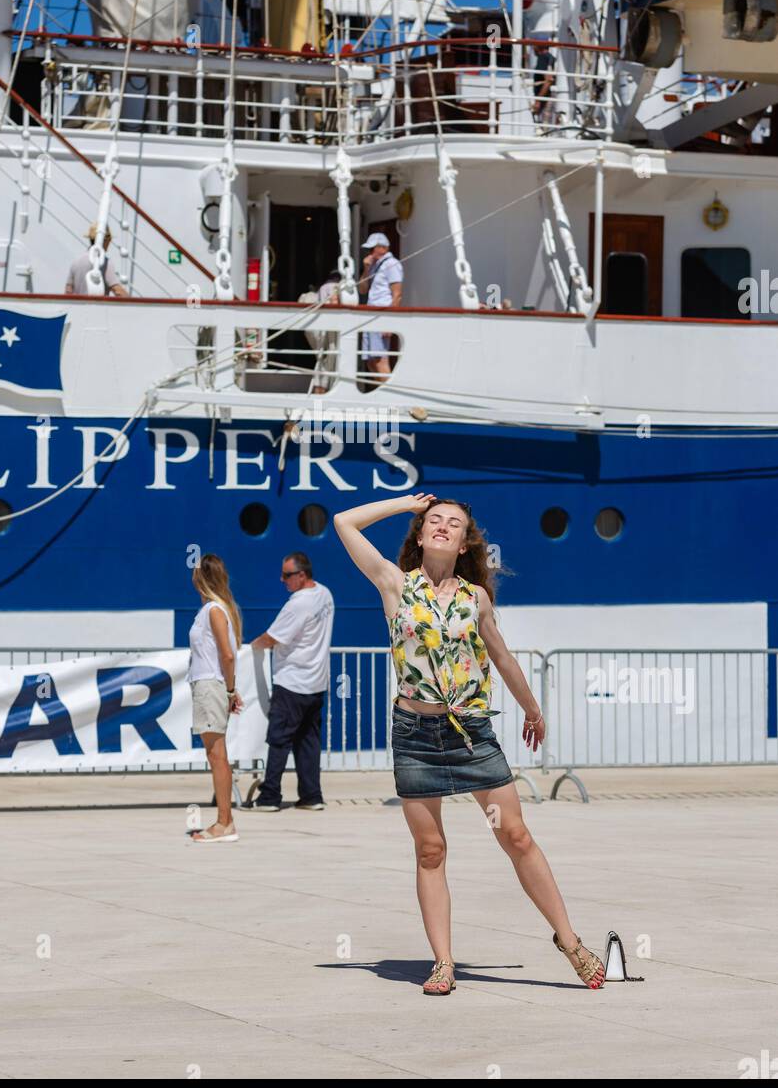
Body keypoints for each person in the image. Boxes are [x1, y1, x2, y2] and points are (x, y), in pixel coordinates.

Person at [333, 492, 606, 996]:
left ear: (463, 544)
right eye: (433, 521)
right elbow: (344, 521)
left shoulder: (476, 598)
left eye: (452, 524)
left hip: (471, 731)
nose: (441, 526)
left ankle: (570, 942)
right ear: (420, 534)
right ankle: (442, 962)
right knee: (431, 850)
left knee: (515, 836)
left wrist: (531, 707)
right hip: (415, 735)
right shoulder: (395, 584)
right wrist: (405, 505)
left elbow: (501, 657)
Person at [250, 552, 335, 811]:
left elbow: (272, 637)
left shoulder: (298, 603)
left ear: (301, 575)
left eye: (286, 575)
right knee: (308, 742)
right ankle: (311, 796)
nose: (282, 579)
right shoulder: (325, 594)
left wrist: (249, 649)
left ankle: (269, 798)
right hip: (316, 683)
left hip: (292, 683)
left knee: (278, 740)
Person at [186, 553, 245, 843]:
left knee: (217, 755)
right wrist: (230, 689)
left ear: (201, 577)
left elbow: (227, 654)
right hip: (210, 685)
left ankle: (225, 822)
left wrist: (231, 690)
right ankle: (225, 820)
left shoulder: (214, 610)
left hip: (211, 685)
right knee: (216, 754)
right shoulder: (218, 609)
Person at [358, 233, 403, 380]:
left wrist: (389, 322)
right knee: (371, 362)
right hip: (371, 316)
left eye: (372, 249)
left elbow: (397, 294)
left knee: (380, 360)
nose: (369, 252)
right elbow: (362, 290)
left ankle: (392, 401)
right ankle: (385, 398)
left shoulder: (391, 264)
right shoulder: (375, 265)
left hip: (381, 316)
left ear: (383, 248)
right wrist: (365, 269)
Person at [65, 225, 128, 296]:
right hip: (97, 306)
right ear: (105, 240)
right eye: (109, 239)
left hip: (77, 306)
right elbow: (118, 291)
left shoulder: (76, 262)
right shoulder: (106, 262)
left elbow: (68, 290)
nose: (110, 241)